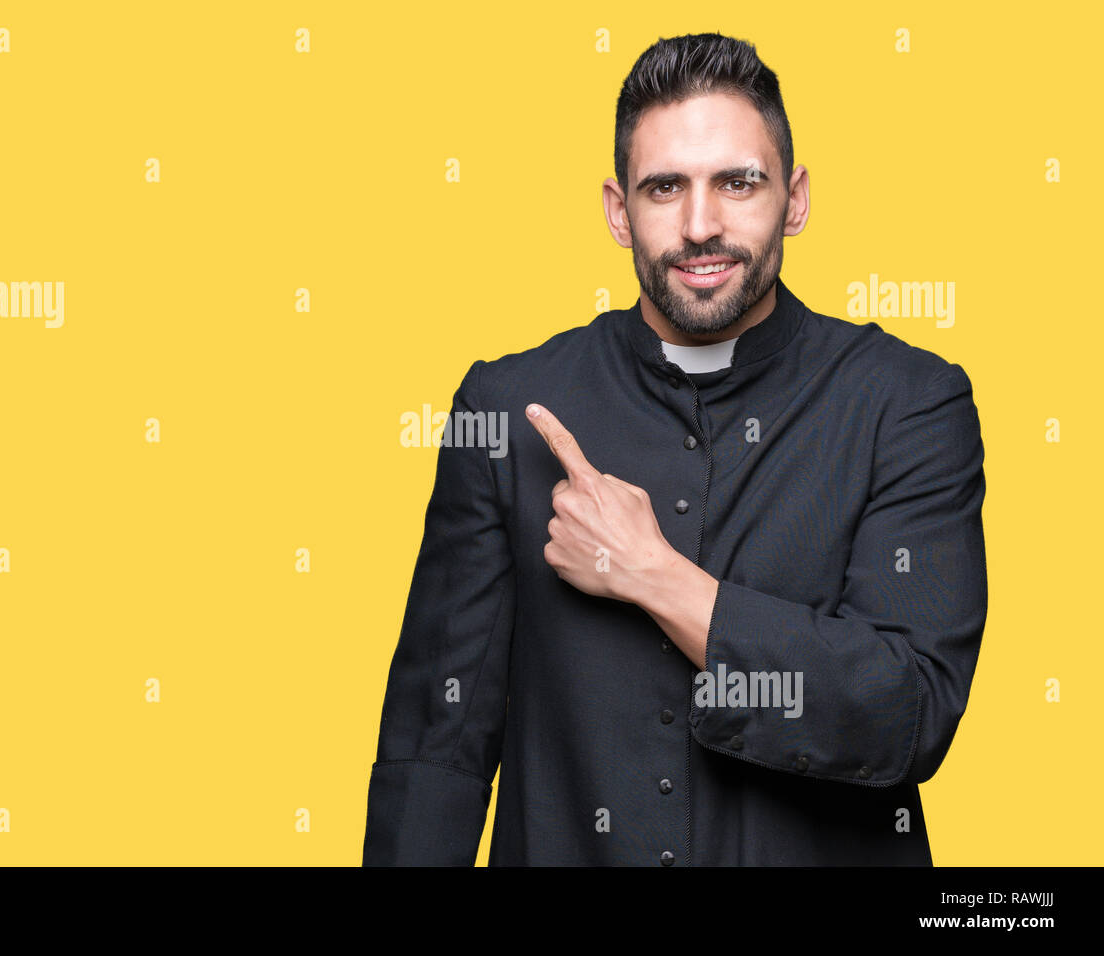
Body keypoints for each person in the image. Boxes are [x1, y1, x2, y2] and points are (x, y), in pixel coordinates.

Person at [363, 32, 987, 866]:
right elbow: (435, 745)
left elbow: (904, 710)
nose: (702, 226)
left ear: (794, 198)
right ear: (620, 212)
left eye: (738, 182)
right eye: (665, 188)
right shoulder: (508, 408)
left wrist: (651, 573)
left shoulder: (908, 403)